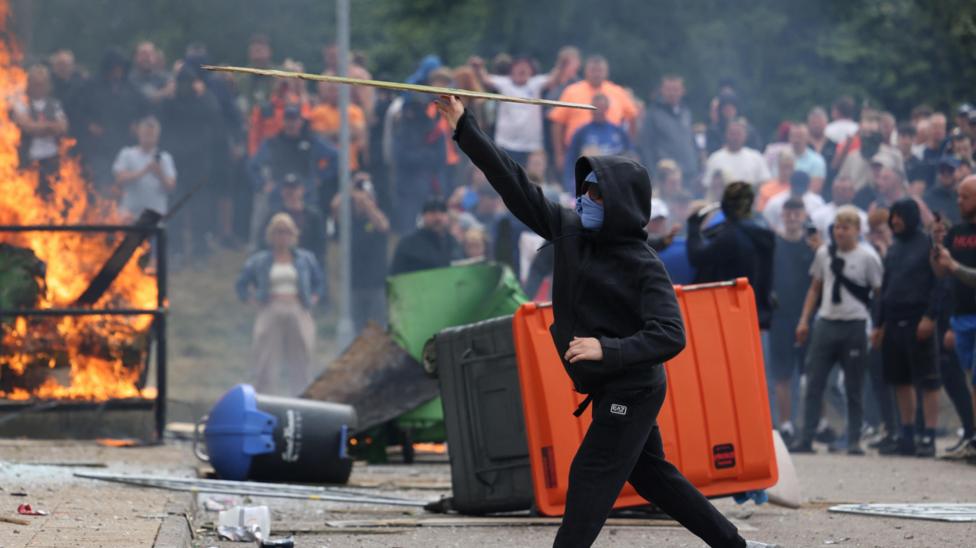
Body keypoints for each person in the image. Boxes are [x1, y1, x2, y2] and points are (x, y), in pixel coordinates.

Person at [436, 93, 776, 548]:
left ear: (619, 202)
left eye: (596, 192)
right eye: (584, 190)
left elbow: (671, 334)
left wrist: (606, 348)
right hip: (612, 385)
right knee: (652, 476)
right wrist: (465, 127)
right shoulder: (570, 231)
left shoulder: (644, 263)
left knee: (590, 473)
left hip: (634, 387)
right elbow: (514, 184)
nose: (584, 199)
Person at [792, 207, 883, 455]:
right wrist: (804, 320)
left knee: (854, 386)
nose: (840, 232)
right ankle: (806, 437)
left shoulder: (868, 258)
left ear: (857, 230)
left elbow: (878, 294)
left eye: (846, 228)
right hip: (826, 322)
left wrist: (877, 325)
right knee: (814, 381)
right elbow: (815, 287)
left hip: (854, 324)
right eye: (838, 228)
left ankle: (854, 439)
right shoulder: (824, 254)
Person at [874, 199, 943, 457]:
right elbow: (885, 287)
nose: (895, 221)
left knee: (928, 381)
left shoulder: (928, 244)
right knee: (900, 380)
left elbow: (939, 284)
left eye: (900, 216)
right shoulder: (893, 248)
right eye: (893, 216)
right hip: (893, 320)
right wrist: (879, 324)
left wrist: (930, 317)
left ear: (912, 217)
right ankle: (907, 436)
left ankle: (929, 436)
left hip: (919, 319)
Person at [236, 213, 324, 397]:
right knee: (265, 358)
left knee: (301, 356)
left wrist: (314, 298)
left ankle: (302, 398)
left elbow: (319, 282)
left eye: (286, 232)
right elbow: (241, 283)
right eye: (278, 232)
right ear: (271, 235)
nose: (282, 236)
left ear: (293, 235)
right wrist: (251, 299)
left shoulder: (305, 258)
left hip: (297, 307)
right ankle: (265, 398)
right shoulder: (260, 260)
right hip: (271, 307)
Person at [160, 65, 228, 260]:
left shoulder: (203, 102)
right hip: (176, 162)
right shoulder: (170, 104)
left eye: (187, 83)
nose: (184, 87)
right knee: (175, 206)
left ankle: (200, 247)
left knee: (201, 207)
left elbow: (215, 118)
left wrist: (204, 94)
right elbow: (162, 126)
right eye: (181, 83)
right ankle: (177, 248)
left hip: (198, 161)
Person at [687, 182, 775, 330]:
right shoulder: (763, 232)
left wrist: (693, 228)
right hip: (758, 311)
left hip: (731, 313)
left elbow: (697, 257)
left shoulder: (730, 236)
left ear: (725, 205)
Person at [248, 104, 339, 248]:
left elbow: (336, 157)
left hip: (307, 198)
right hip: (278, 199)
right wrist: (262, 184)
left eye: (294, 120)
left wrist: (322, 176)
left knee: (310, 238)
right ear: (283, 122)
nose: (291, 124)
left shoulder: (311, 142)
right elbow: (254, 165)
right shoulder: (273, 143)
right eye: (288, 120)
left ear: (300, 122)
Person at [768, 198, 818, 443]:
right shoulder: (773, 245)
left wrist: (819, 248)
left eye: (797, 213)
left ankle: (814, 424)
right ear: (782, 215)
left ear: (804, 215)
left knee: (812, 373)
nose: (792, 217)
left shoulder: (812, 247)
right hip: (780, 318)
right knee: (782, 374)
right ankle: (786, 424)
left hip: (809, 317)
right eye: (788, 212)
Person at [935, 175, 976, 458]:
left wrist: (953, 266)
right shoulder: (956, 232)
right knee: (970, 379)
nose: (958, 201)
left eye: (965, 196)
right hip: (960, 317)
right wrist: (937, 250)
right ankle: (971, 437)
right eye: (958, 196)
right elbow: (941, 273)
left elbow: (956, 270)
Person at [73, 48, 149, 192]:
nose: (117, 72)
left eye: (120, 68)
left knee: (121, 183)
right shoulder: (90, 86)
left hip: (123, 143)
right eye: (114, 68)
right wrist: (88, 124)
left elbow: (145, 108)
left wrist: (137, 123)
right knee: (101, 182)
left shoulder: (130, 87)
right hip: (98, 144)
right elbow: (76, 110)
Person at [548, 55, 638, 174]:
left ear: (606, 72)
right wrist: (559, 154)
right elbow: (557, 122)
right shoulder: (572, 91)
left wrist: (629, 145)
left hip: (612, 152)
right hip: (578, 151)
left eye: (600, 70)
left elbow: (633, 116)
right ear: (586, 71)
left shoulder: (617, 91)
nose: (596, 74)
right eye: (593, 70)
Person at [470, 55, 562, 166]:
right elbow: (485, 80)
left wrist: (560, 64)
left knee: (534, 172)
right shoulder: (504, 83)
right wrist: (478, 68)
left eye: (525, 67)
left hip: (531, 146)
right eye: (519, 67)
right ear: (512, 70)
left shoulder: (536, 83)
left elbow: (554, 79)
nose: (522, 69)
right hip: (505, 144)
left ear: (531, 71)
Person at [331, 173, 390, 332]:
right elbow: (335, 207)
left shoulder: (376, 218)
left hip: (376, 284)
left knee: (377, 329)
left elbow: (383, 226)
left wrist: (367, 203)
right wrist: (349, 189)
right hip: (354, 284)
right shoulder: (348, 222)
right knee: (357, 330)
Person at [12, 65, 68, 196]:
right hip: (29, 160)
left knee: (51, 198)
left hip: (51, 160)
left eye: (42, 84)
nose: (39, 88)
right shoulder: (22, 103)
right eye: (36, 84)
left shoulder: (55, 104)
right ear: (30, 84)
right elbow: (27, 126)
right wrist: (50, 127)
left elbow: (63, 127)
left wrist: (38, 127)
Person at [562, 94, 632, 192]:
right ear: (590, 110)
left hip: (615, 181)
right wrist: (569, 184)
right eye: (595, 108)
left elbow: (630, 155)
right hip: (589, 182)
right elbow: (571, 159)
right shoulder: (582, 132)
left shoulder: (618, 132)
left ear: (607, 108)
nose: (598, 112)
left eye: (601, 108)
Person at [638, 75, 699, 184]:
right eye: (669, 89)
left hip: (689, 173)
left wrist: (696, 166)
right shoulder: (653, 114)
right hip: (667, 176)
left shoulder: (686, 112)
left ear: (682, 91)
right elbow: (647, 146)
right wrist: (653, 173)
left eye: (676, 89)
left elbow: (692, 141)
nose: (672, 93)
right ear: (662, 90)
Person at [112, 116, 176, 219]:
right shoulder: (127, 154)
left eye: (151, 135)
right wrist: (144, 171)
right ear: (139, 133)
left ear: (157, 136)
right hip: (128, 215)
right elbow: (119, 178)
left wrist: (160, 173)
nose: (148, 138)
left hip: (155, 217)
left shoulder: (165, 158)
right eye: (146, 134)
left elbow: (171, 186)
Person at [390, 196, 460, 275]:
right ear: (423, 216)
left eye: (442, 212)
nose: (438, 217)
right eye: (432, 212)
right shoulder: (408, 244)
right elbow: (396, 276)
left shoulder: (453, 243)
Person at [264, 177, 327, 264]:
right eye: (287, 188)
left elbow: (320, 245)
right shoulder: (273, 215)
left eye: (294, 188)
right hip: (278, 262)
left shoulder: (314, 216)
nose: (291, 192)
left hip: (306, 264)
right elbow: (264, 241)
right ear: (282, 191)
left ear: (302, 190)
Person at [308, 76, 367, 170]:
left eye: (337, 90)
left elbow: (357, 134)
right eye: (332, 90)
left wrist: (332, 133)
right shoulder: (318, 111)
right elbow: (319, 137)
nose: (335, 94)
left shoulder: (355, 111)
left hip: (350, 164)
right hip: (326, 166)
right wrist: (345, 132)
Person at [702, 119, 771, 190]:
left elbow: (765, 182)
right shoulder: (715, 158)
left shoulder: (756, 157)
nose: (735, 137)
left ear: (745, 136)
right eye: (732, 134)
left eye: (738, 134)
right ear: (726, 135)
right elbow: (707, 184)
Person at [129, 41, 173, 106]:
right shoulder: (131, 79)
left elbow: (173, 85)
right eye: (143, 54)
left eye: (151, 53)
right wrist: (166, 91)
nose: (147, 57)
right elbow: (149, 98)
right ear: (135, 57)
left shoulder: (161, 75)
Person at [787, 123, 826, 193]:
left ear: (808, 138)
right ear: (789, 138)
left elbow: (815, 189)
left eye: (800, 137)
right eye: (794, 136)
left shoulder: (817, 160)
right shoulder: (782, 158)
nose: (796, 140)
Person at [924, 156, 963, 224]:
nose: (946, 174)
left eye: (950, 170)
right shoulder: (928, 198)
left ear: (960, 172)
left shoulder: (965, 196)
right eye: (942, 170)